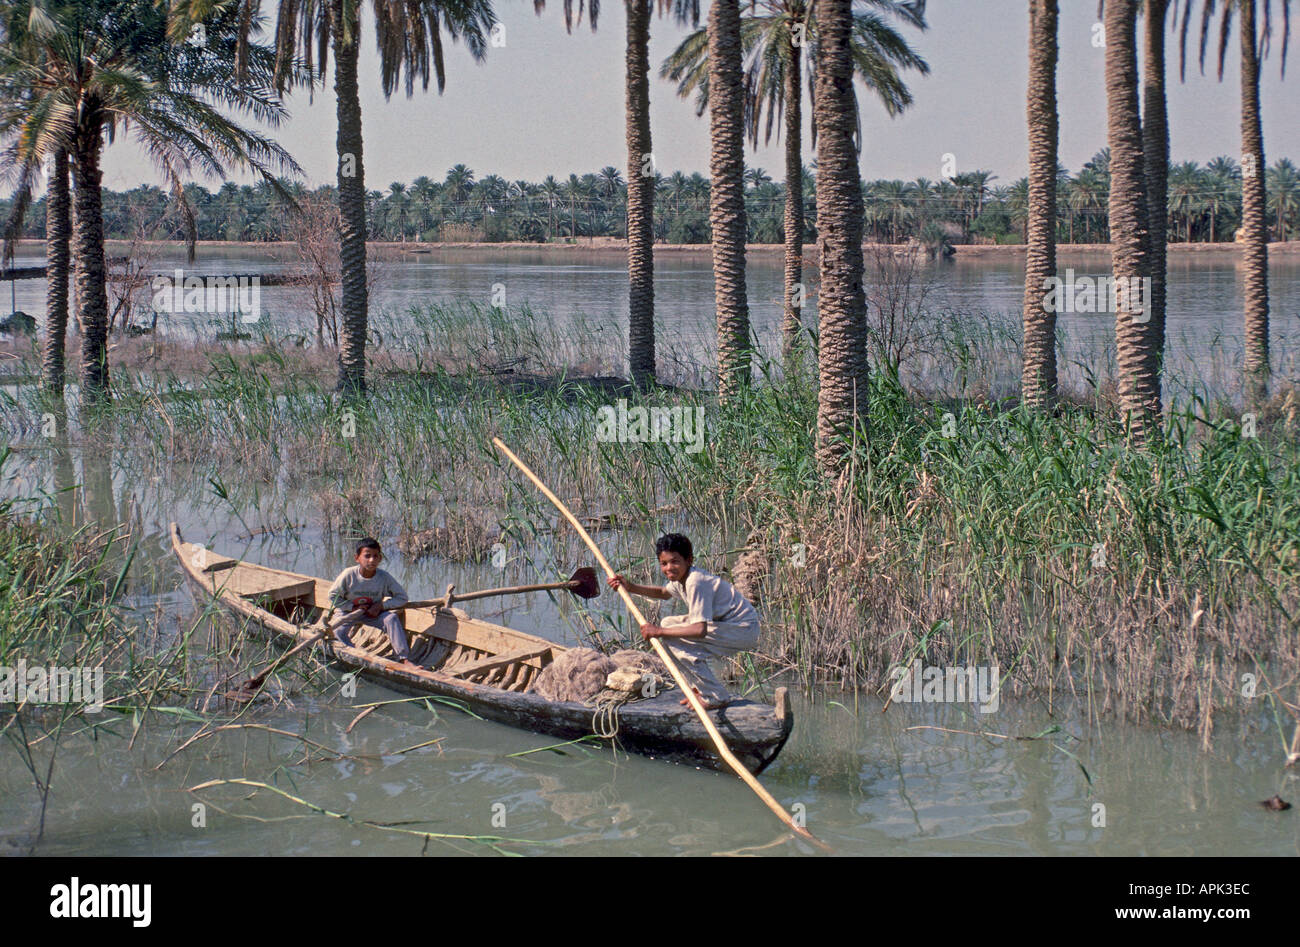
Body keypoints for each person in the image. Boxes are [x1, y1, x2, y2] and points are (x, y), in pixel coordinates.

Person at [608, 533, 760, 710]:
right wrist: (631, 587)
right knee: (667, 623)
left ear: (689, 560)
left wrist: (658, 632)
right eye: (664, 564)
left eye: (675, 562)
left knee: (672, 637)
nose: (669, 568)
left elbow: (699, 630)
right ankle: (698, 689)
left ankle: (715, 695)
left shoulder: (696, 582)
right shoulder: (683, 579)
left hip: (742, 629)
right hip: (728, 625)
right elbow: (664, 593)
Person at [326, 538, 420, 669]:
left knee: (391, 618)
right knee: (338, 631)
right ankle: (352, 652)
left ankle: (403, 658)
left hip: (373, 613)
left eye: (375, 556)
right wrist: (351, 607)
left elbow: (402, 598)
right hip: (348, 612)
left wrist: (381, 606)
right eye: (367, 556)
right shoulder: (349, 575)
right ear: (357, 558)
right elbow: (332, 596)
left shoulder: (384, 577)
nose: (371, 560)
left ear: (380, 558)